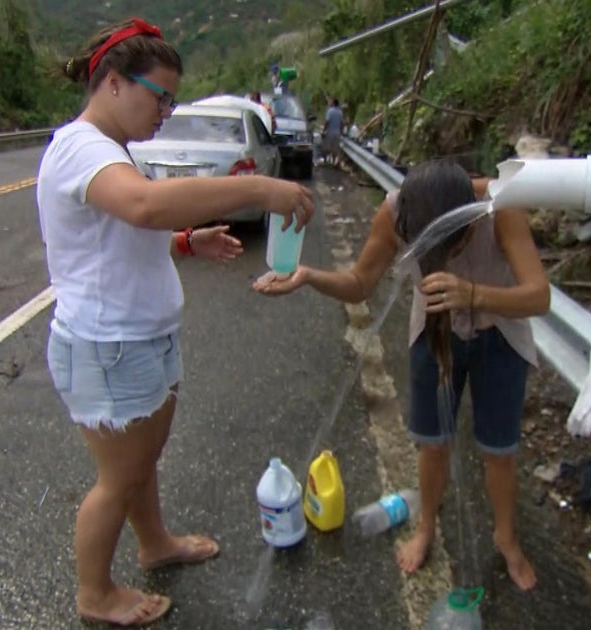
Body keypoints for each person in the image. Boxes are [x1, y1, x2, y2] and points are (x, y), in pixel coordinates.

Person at [38, 18, 314, 626]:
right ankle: (95, 594)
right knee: (118, 479)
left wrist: (186, 242)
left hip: (140, 336)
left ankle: (155, 542)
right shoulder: (82, 146)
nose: (165, 110)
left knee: (141, 461)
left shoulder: (113, 151)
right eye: (158, 95)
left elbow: (116, 238)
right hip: (108, 345)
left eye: (171, 99)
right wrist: (260, 189)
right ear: (113, 82)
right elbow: (142, 205)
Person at [254, 159, 548, 591]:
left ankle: (506, 538)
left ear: (467, 221)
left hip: (499, 332)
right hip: (432, 329)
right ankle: (426, 525)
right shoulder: (395, 212)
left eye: (454, 245)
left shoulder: (500, 208)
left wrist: (472, 294)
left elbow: (538, 296)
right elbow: (359, 282)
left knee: (499, 450)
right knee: (432, 444)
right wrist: (308, 277)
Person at [321, 99, 345, 168]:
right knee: (335, 148)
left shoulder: (330, 111)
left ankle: (325, 161)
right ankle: (334, 162)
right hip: (337, 133)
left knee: (326, 147)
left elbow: (327, 121)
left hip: (330, 132)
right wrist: (341, 132)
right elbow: (341, 124)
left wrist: (324, 130)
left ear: (333, 103)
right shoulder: (340, 112)